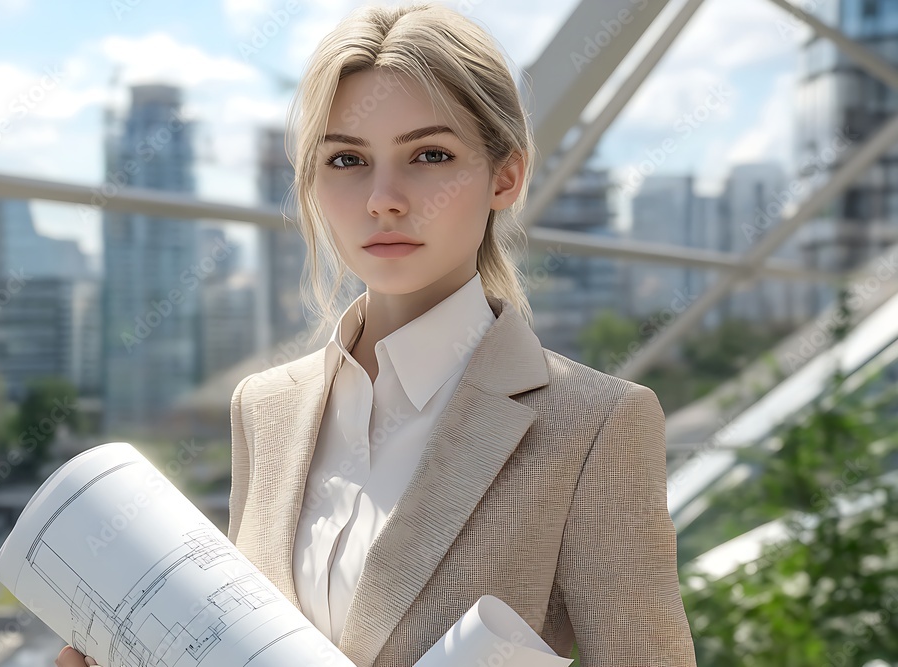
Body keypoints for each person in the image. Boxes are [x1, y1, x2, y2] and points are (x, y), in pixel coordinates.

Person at [56, 4, 696, 667]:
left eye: (430, 154)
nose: (383, 198)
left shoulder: (594, 425)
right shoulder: (264, 408)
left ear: (505, 175)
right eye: (347, 159)